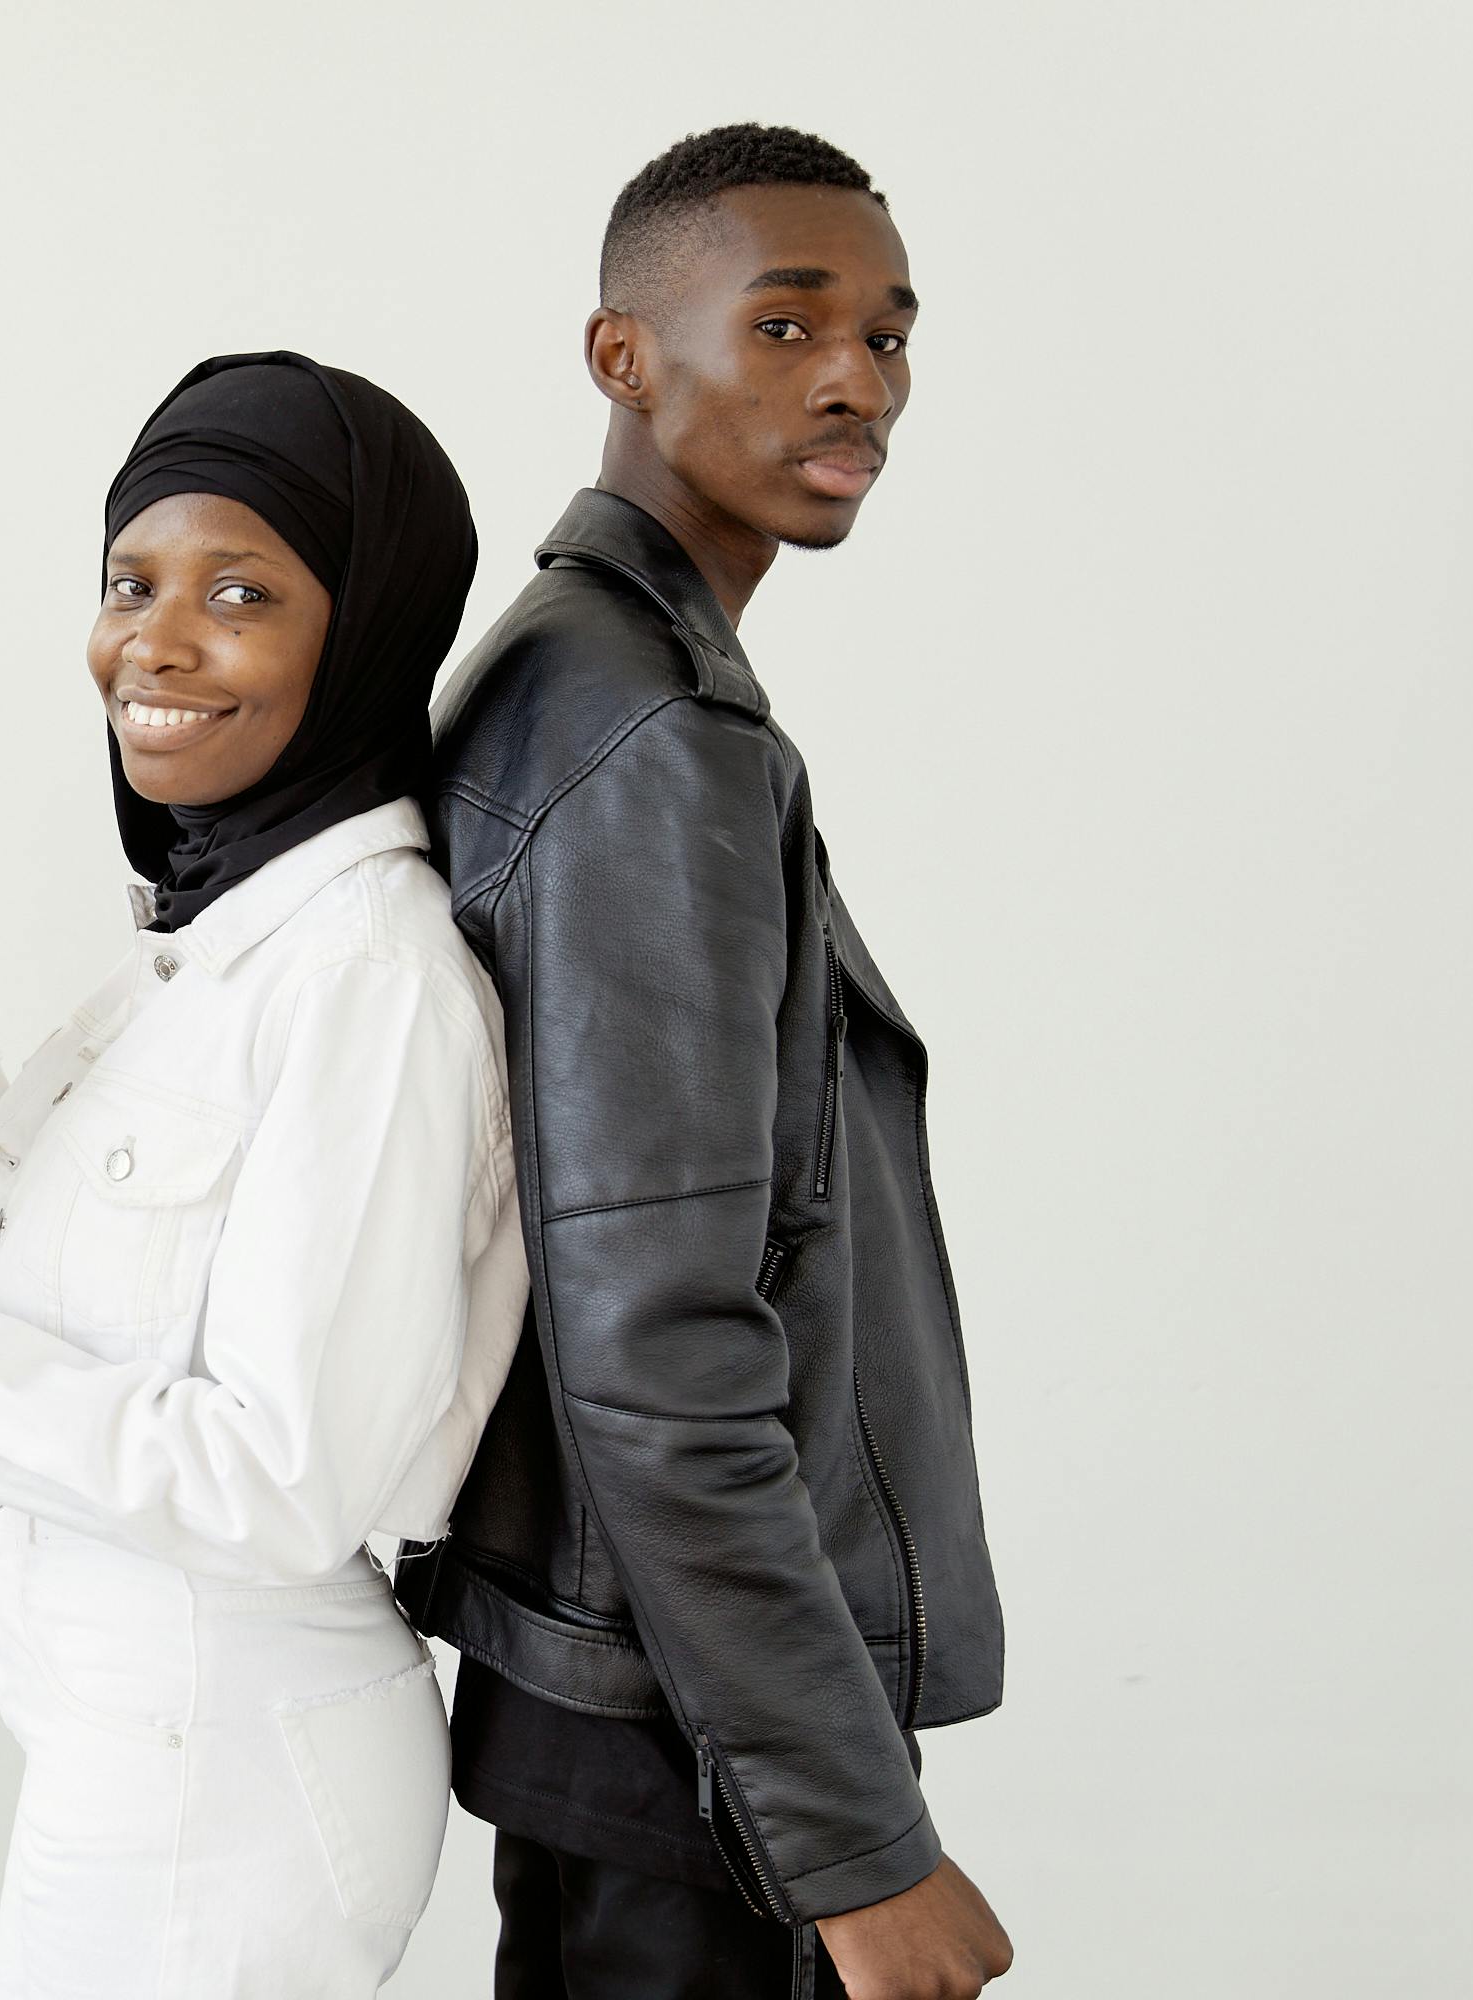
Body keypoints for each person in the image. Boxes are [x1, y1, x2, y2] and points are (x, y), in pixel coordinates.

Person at [0, 351, 529, 1996]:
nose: (157, 640)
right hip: (150, 1748)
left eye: (240, 592)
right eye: (132, 580)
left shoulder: (364, 978)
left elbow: (279, 1480)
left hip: (231, 1775)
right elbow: (62, 1266)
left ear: (364, 639)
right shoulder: (215, 939)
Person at [394, 125, 1015, 2000]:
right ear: (623, 358)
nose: (858, 380)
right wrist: (850, 1839)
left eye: (891, 336)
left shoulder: (587, 671)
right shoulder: (646, 730)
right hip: (690, 1750)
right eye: (787, 323)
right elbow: (657, 1330)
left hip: (648, 1705)